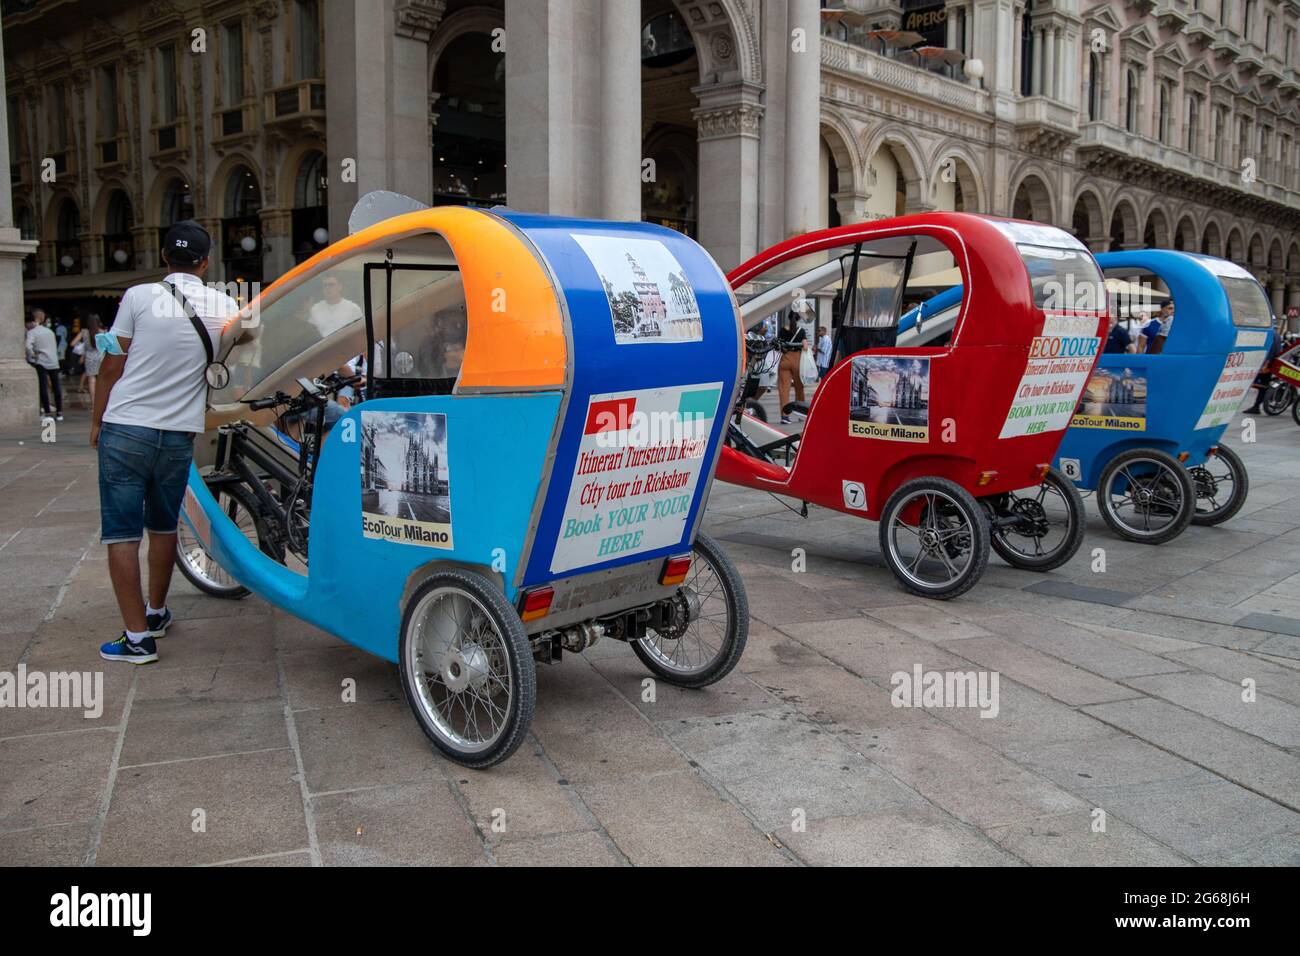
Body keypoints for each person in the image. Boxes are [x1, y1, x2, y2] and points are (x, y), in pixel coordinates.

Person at [92, 221, 240, 664]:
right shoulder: (225, 304)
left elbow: (110, 366)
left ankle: (137, 639)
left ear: (162, 257)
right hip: (179, 434)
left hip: (126, 428)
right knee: (162, 526)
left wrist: (97, 420)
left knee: (121, 534)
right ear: (205, 261)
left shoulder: (138, 297)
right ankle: (155, 614)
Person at [25, 309, 63, 420]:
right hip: (53, 361)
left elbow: (28, 346)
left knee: (43, 387)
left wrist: (33, 355)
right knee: (56, 387)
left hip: (41, 361)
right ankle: (59, 412)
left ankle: (47, 412)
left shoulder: (32, 332)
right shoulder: (50, 332)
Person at [776, 309, 807, 424]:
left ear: (788, 318)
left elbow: (778, 346)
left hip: (785, 359)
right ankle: (802, 414)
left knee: (784, 389)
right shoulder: (801, 331)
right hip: (798, 360)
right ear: (798, 319)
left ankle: (784, 416)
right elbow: (805, 347)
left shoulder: (782, 330)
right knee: (799, 388)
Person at [71, 313, 104, 409]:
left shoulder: (84, 332)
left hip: (89, 357)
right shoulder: (102, 332)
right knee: (101, 380)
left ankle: (94, 404)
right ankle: (101, 403)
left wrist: (84, 347)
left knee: (91, 380)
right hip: (100, 357)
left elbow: (73, 343)